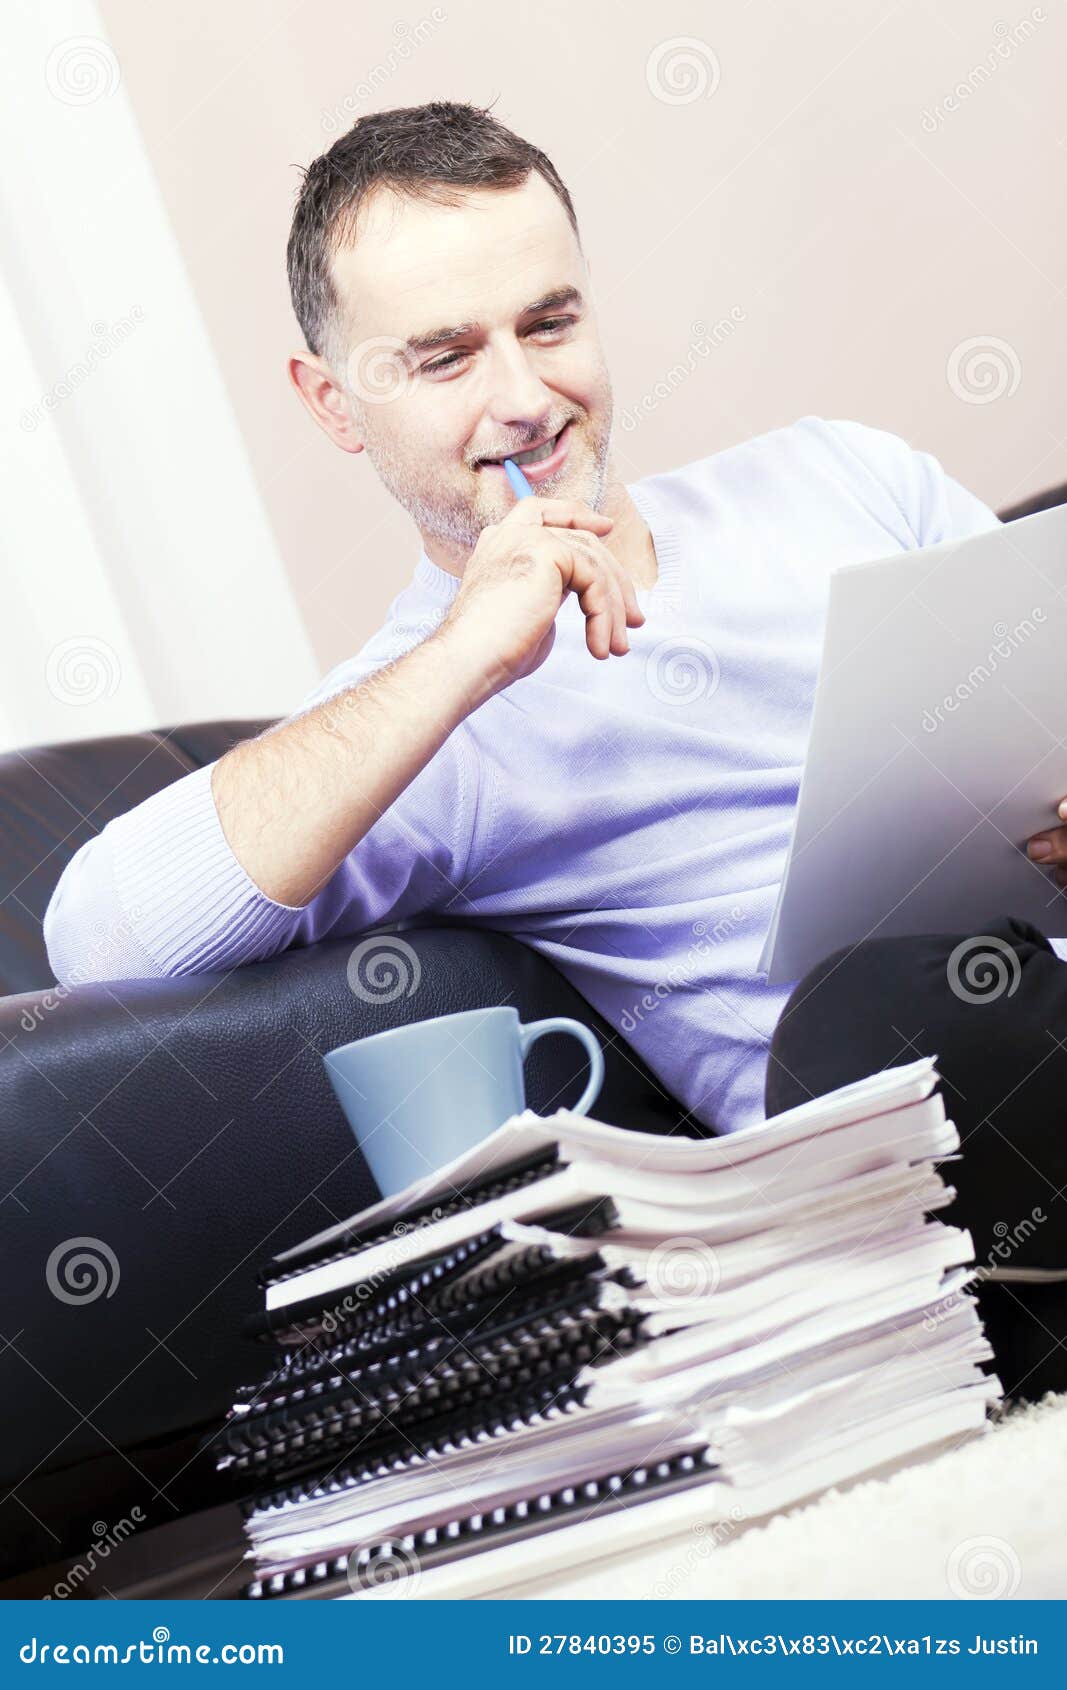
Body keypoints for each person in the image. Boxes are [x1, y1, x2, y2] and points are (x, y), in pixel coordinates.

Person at [42, 102, 1067, 1393]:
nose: (526, 400)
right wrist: (468, 653)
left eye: (549, 323)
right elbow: (103, 935)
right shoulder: (426, 733)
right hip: (921, 1161)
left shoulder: (844, 479)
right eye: (444, 357)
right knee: (888, 1005)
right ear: (335, 403)